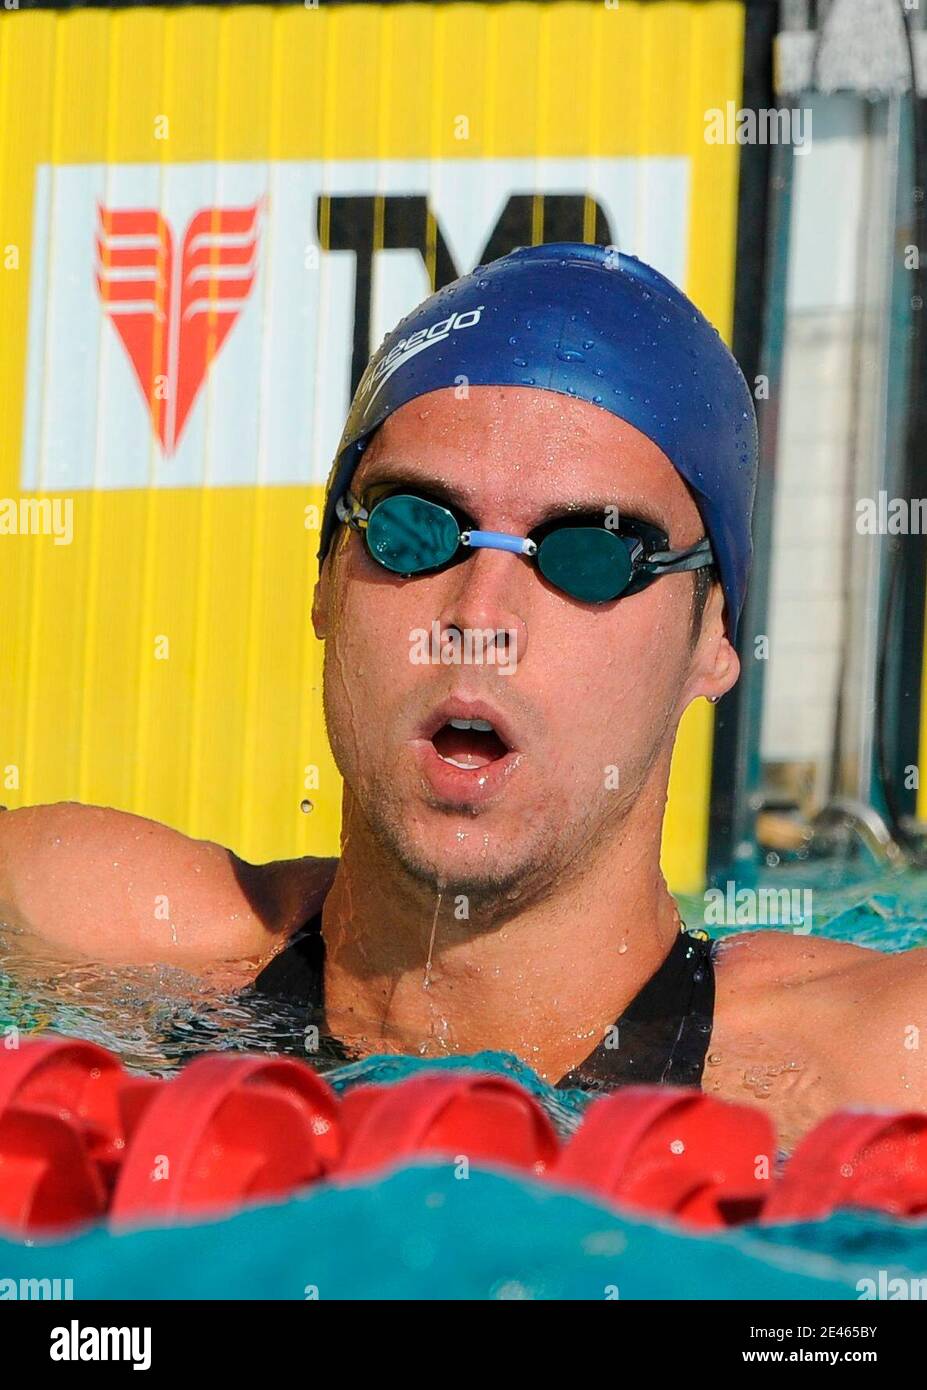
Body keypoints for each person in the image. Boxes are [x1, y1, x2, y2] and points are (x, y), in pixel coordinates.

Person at [1, 243, 924, 1150]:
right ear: (324, 579)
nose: (480, 616)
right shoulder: (80, 932)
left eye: (588, 555)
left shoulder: (877, 1065)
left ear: (712, 635)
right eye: (415, 530)